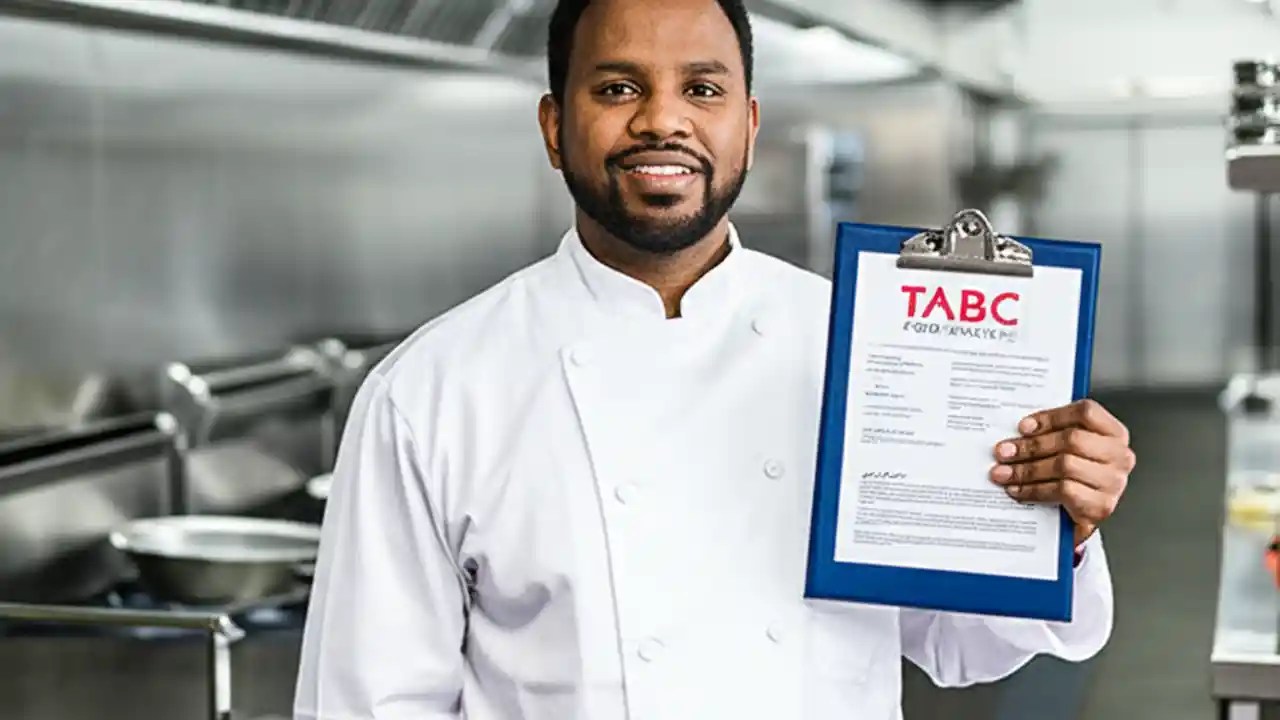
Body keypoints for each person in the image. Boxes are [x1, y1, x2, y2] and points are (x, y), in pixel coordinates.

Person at [293, 0, 1137, 718]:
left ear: (749, 125)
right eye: (618, 88)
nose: (663, 118)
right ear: (555, 127)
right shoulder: (432, 391)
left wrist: (1052, 521)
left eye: (702, 88)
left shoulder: (868, 346)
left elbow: (964, 642)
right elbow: (369, 702)